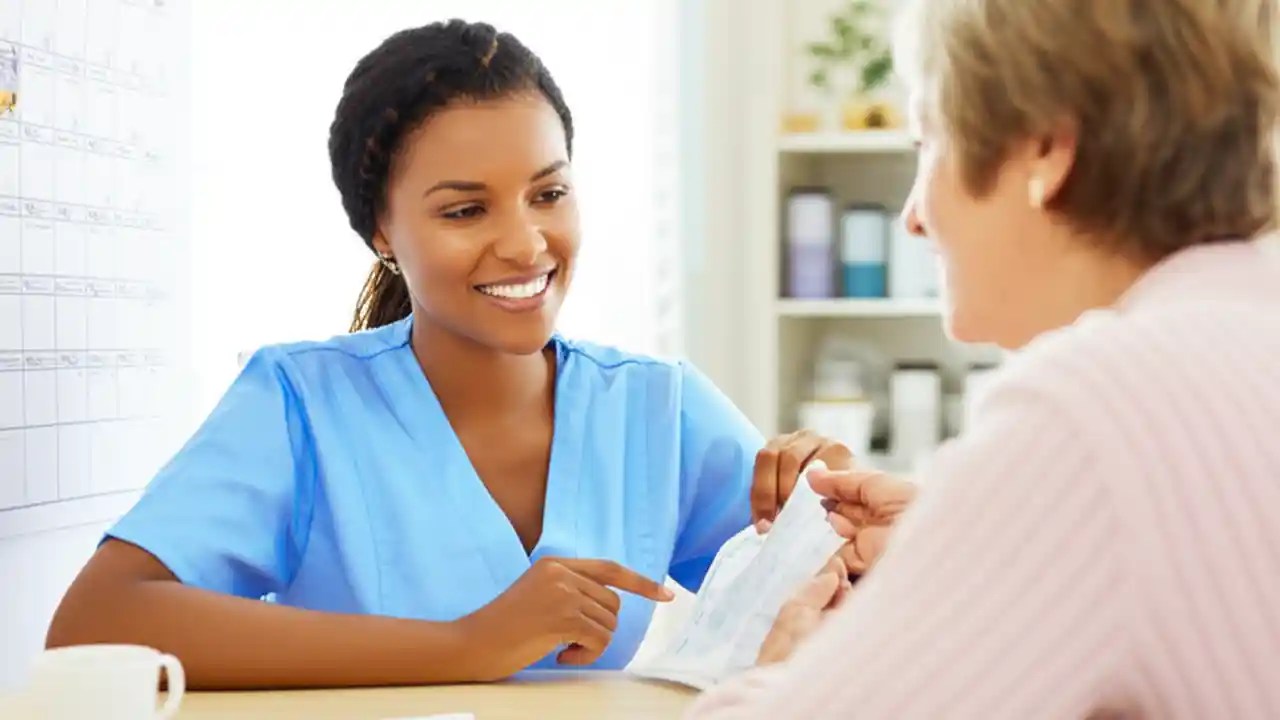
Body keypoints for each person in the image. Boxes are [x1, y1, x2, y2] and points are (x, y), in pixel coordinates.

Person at [45, 19, 848, 689]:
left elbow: (838, 615)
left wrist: (845, 520)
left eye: (549, 193)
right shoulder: (299, 401)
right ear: (382, 232)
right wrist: (471, 644)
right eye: (465, 210)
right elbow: (96, 624)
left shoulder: (656, 408)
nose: (526, 244)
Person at [689, 0, 1280, 717]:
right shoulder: (1244, 334)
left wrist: (783, 666)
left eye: (926, 143)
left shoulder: (1088, 414)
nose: (913, 216)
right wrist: (969, 552)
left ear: (1045, 149)